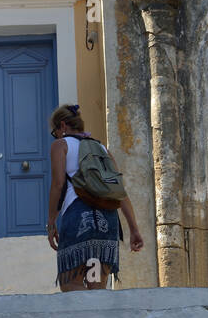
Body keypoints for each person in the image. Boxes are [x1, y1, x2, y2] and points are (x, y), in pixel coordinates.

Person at [46, 104, 143, 291]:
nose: (55, 135)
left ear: (63, 126)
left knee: (71, 284)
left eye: (55, 131)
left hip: (79, 222)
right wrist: (134, 229)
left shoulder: (61, 145)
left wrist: (51, 224)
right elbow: (119, 191)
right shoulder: (102, 149)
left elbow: (58, 184)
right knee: (96, 286)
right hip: (106, 225)